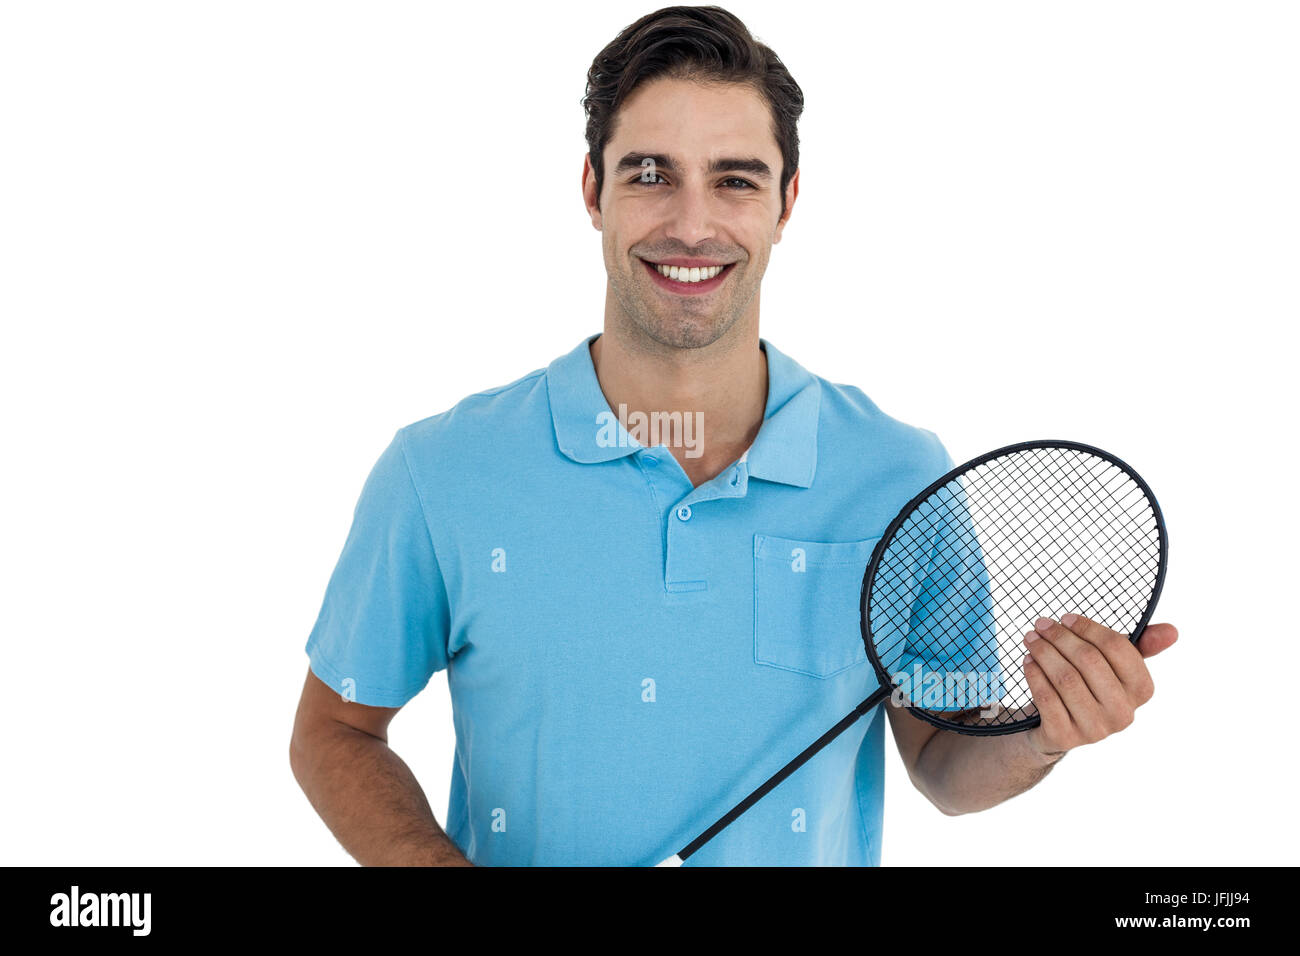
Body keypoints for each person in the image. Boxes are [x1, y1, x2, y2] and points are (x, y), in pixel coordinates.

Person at [289, 5, 1179, 866]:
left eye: (735, 179)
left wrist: (1047, 736)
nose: (690, 224)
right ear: (592, 190)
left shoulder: (901, 472)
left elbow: (944, 767)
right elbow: (334, 732)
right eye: (650, 173)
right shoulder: (442, 471)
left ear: (786, 202)